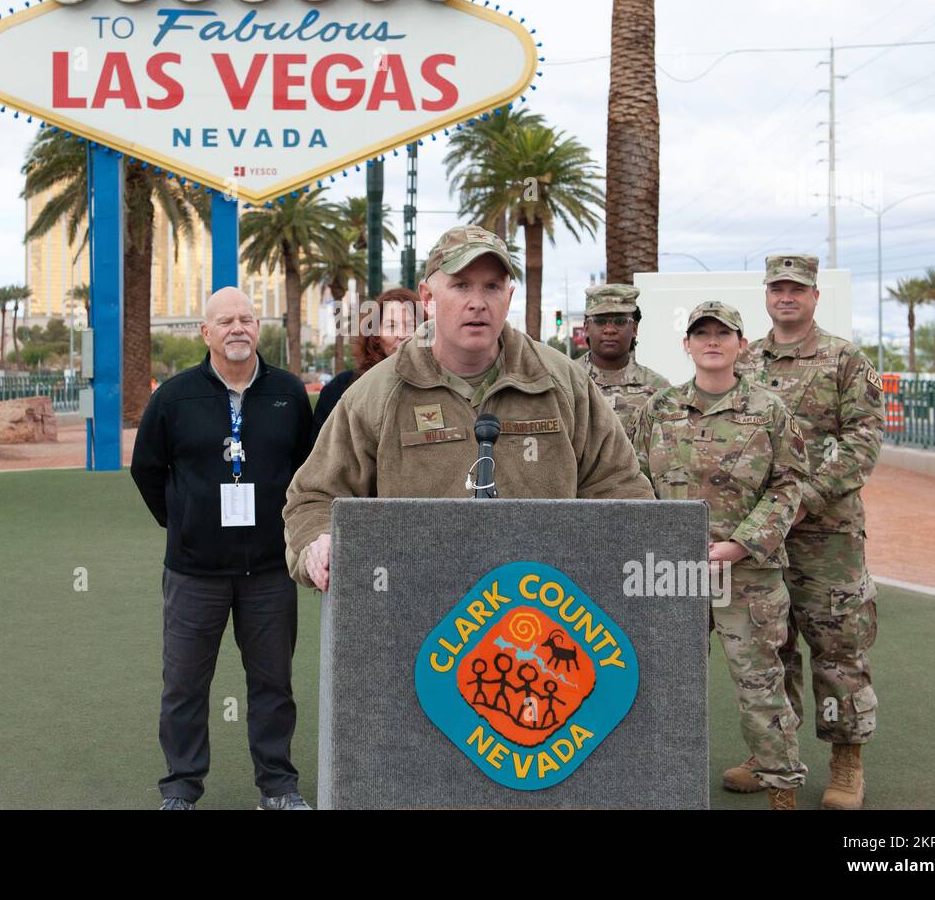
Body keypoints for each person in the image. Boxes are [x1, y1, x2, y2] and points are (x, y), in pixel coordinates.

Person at [282, 224, 654, 591]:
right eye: (461, 285)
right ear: (427, 298)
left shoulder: (562, 384)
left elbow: (619, 487)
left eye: (492, 287)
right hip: (416, 614)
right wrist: (318, 541)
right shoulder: (376, 394)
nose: (477, 301)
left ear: (508, 298)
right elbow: (314, 497)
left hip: (544, 612)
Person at [130, 286, 314, 811]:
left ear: (259, 329)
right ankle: (182, 790)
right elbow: (147, 469)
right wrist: (184, 523)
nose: (238, 328)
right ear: (205, 333)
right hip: (194, 573)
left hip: (269, 572)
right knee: (184, 686)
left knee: (273, 683)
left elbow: (307, 471)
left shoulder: (288, 393)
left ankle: (278, 787)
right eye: (225, 321)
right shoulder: (174, 397)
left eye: (247, 319)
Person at [632, 300, 810, 810]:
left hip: (747, 574)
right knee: (661, 683)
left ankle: (781, 789)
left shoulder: (769, 411)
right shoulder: (659, 409)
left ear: (741, 345)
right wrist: (661, 542)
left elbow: (787, 487)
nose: (712, 341)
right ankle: (659, 784)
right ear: (686, 345)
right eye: (701, 333)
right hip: (671, 573)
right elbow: (634, 479)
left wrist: (738, 545)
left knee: (760, 689)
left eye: (723, 333)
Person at [733, 254, 884, 811]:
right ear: (767, 295)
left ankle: (847, 760)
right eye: (778, 288)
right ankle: (774, 755)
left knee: (838, 647)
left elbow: (863, 442)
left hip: (828, 537)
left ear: (815, 296)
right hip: (764, 536)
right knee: (769, 646)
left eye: (797, 288)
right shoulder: (744, 362)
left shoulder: (845, 359)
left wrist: (806, 498)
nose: (787, 296)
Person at [312, 287, 423, 442]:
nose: (402, 335)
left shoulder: (439, 384)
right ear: (375, 336)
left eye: (411, 326)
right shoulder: (342, 388)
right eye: (391, 326)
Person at [576, 282, 671, 440]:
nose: (610, 330)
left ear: (634, 329)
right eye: (600, 321)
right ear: (586, 328)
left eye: (620, 322)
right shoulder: (566, 380)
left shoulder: (658, 389)